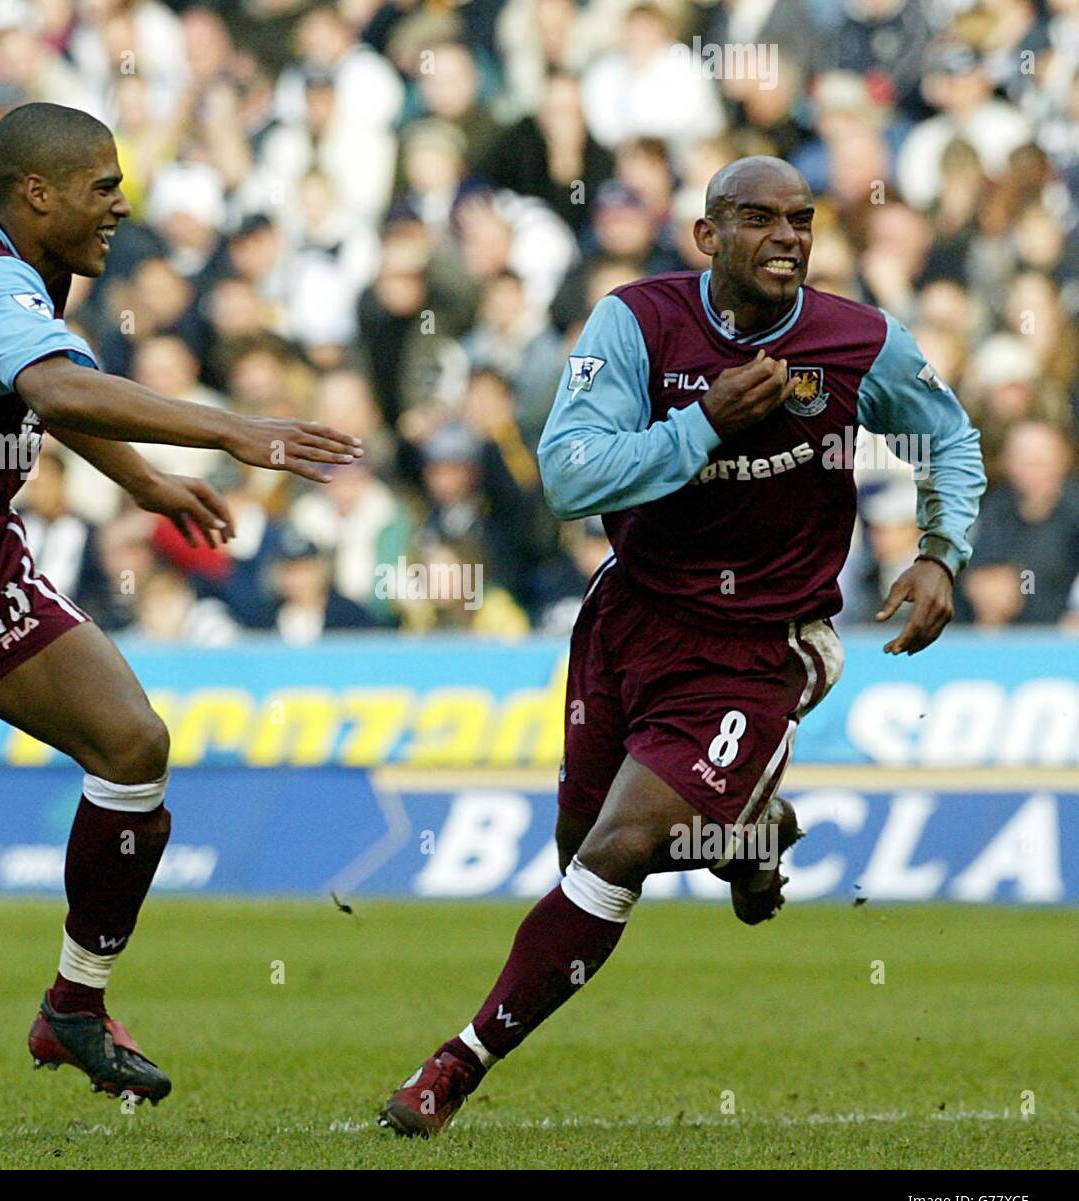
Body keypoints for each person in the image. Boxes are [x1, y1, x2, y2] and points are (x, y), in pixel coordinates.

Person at [378, 156, 985, 1136]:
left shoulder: (857, 339)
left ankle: (451, 1067)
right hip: (631, 616)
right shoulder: (637, 322)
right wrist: (703, 423)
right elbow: (572, 478)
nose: (786, 237)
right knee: (582, 851)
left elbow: (947, 437)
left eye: (801, 219)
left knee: (614, 850)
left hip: (759, 644)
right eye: (757, 218)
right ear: (707, 236)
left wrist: (940, 551)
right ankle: (746, 831)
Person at [0, 102, 362, 1103]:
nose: (121, 207)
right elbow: (54, 391)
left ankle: (74, 1005)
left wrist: (142, 483)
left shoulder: (16, 274)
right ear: (35, 192)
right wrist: (227, 432)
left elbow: (34, 390)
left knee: (133, 746)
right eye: (102, 187)